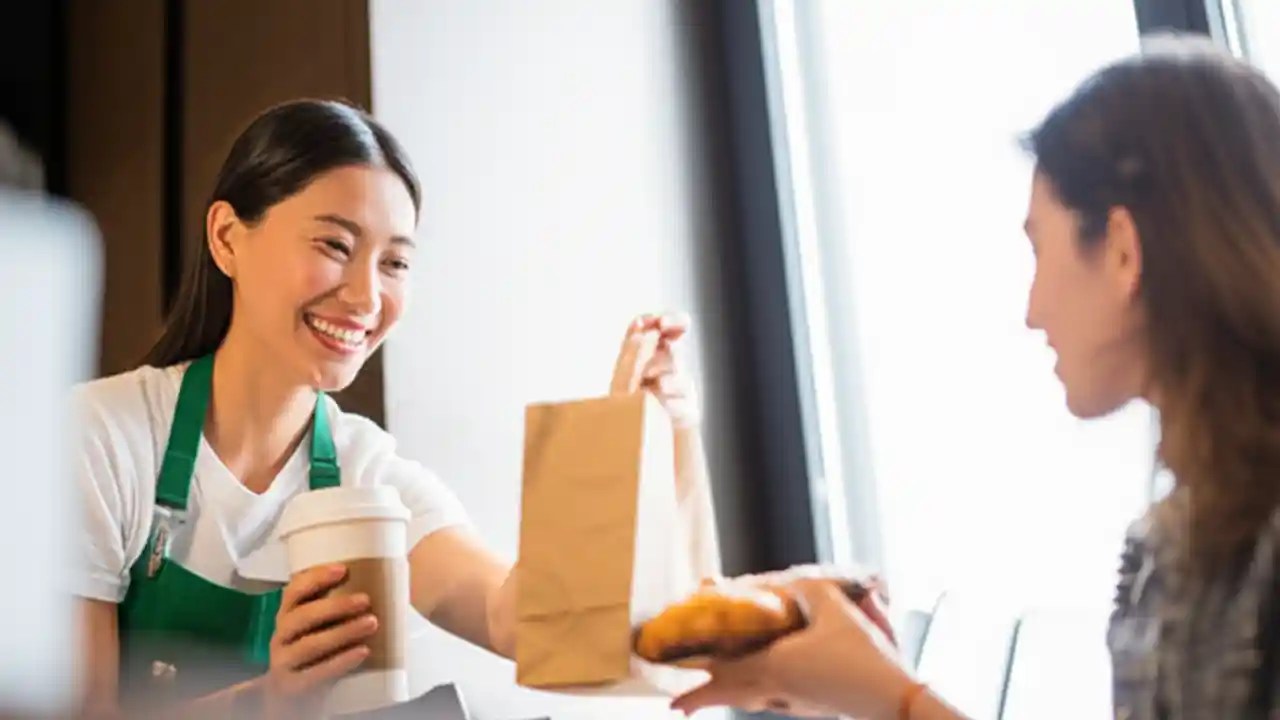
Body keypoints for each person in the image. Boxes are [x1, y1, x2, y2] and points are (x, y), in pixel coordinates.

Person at [671, 35, 1280, 720]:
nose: (1031, 311)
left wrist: (888, 697)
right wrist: (874, 689)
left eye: (1038, 247)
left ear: (1119, 251)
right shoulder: (1176, 544)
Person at [71, 99, 719, 718]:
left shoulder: (368, 476)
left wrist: (634, 436)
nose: (366, 296)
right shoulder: (103, 438)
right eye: (334, 246)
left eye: (396, 262)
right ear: (227, 238)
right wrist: (268, 703)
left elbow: (519, 619)